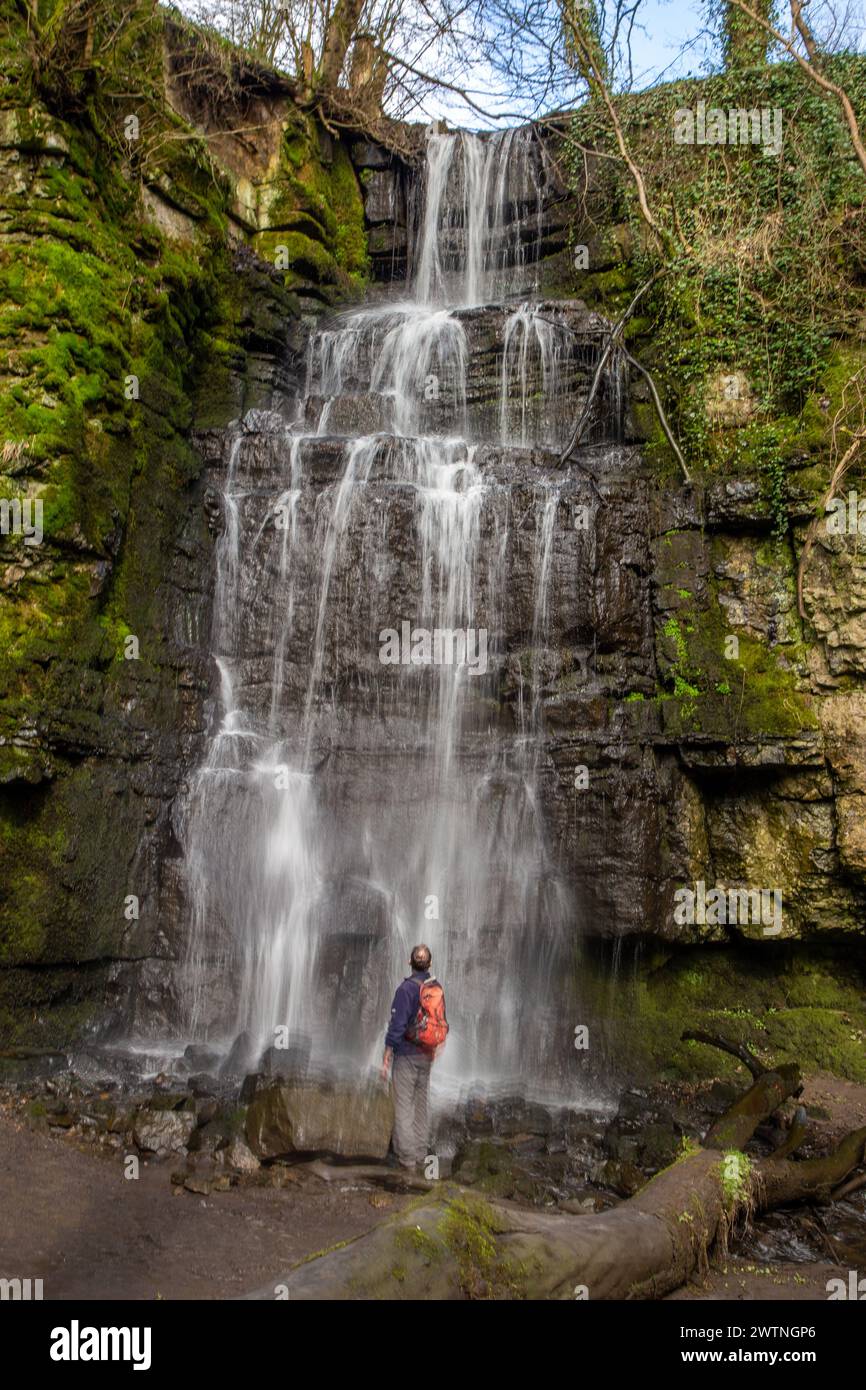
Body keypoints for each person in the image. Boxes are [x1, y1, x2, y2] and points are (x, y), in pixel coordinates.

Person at [381, 944, 447, 1174]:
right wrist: (438, 1046)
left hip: (407, 1055)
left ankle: (407, 1161)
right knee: (420, 1106)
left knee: (403, 1108)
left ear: (410, 963)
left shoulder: (406, 990)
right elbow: (442, 1021)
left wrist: (388, 1052)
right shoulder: (436, 988)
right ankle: (420, 1154)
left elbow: (397, 1025)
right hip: (426, 1055)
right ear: (429, 965)